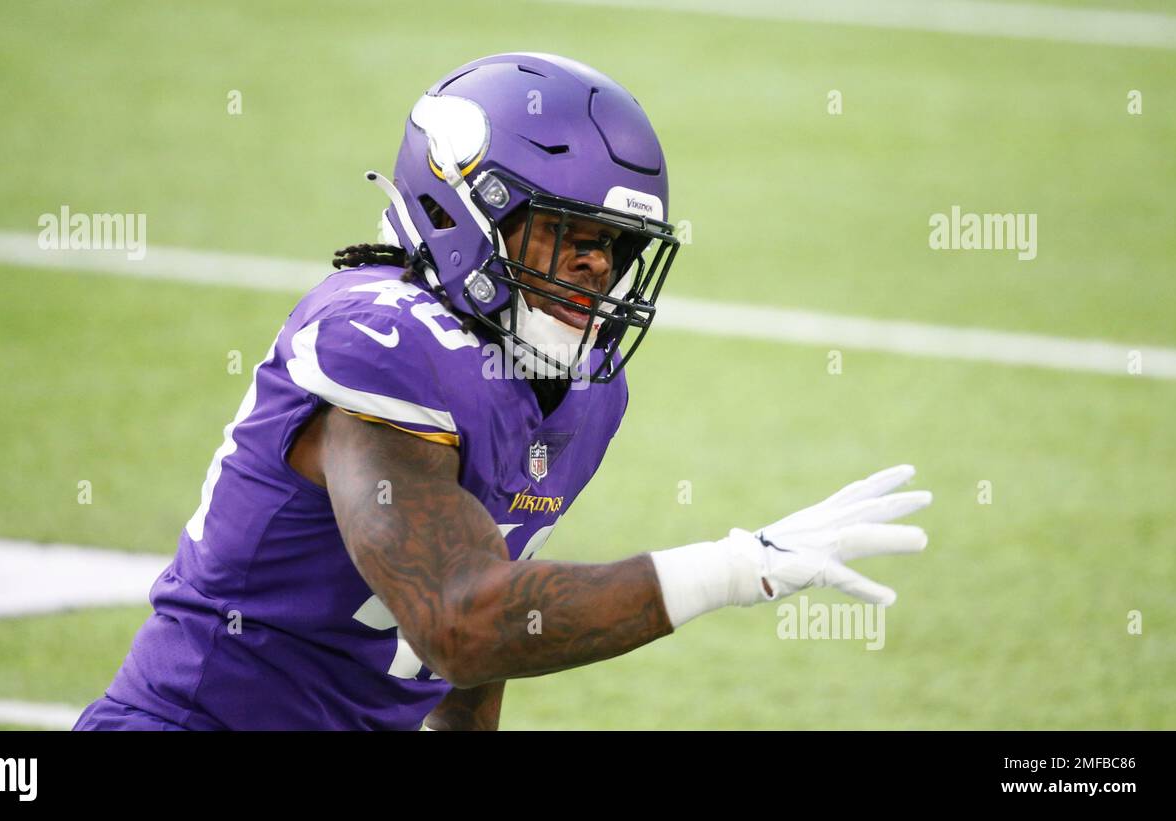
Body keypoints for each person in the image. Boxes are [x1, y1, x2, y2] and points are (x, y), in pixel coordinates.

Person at [75, 52, 931, 731]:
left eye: (616, 246)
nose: (597, 267)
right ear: (459, 211)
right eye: (566, 232)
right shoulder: (381, 341)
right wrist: (735, 569)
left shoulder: (581, 392)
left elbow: (480, 624)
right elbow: (459, 620)